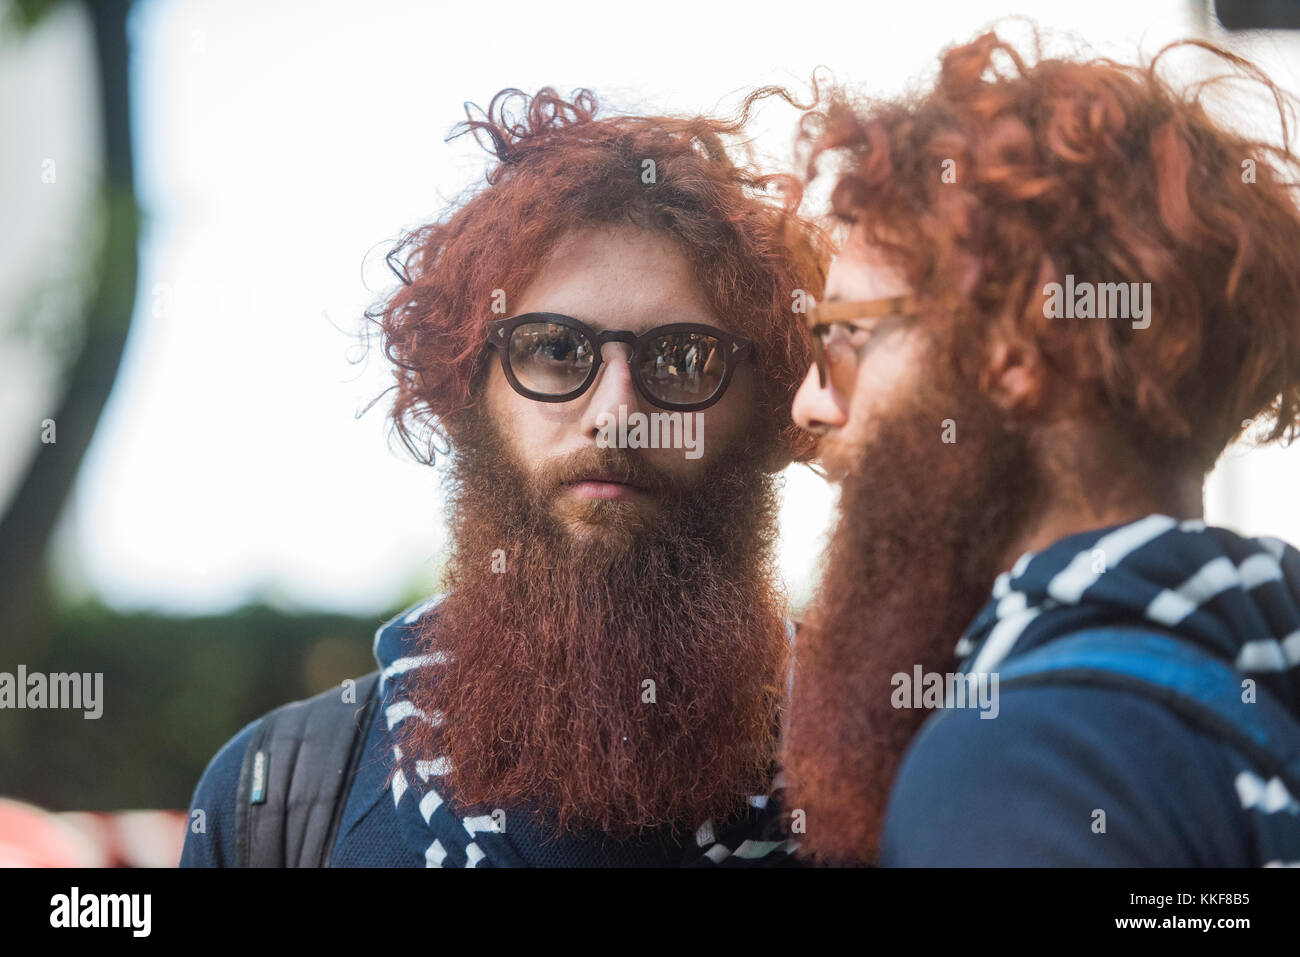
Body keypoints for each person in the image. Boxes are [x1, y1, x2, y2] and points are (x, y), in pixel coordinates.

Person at [180, 86, 828, 867]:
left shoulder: (894, 779)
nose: (617, 413)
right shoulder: (276, 797)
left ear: (766, 411)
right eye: (554, 350)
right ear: (464, 389)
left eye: (684, 359)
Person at [781, 29, 1300, 866]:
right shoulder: (1255, 661)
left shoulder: (1023, 767)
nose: (810, 401)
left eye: (840, 337)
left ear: (1017, 354)